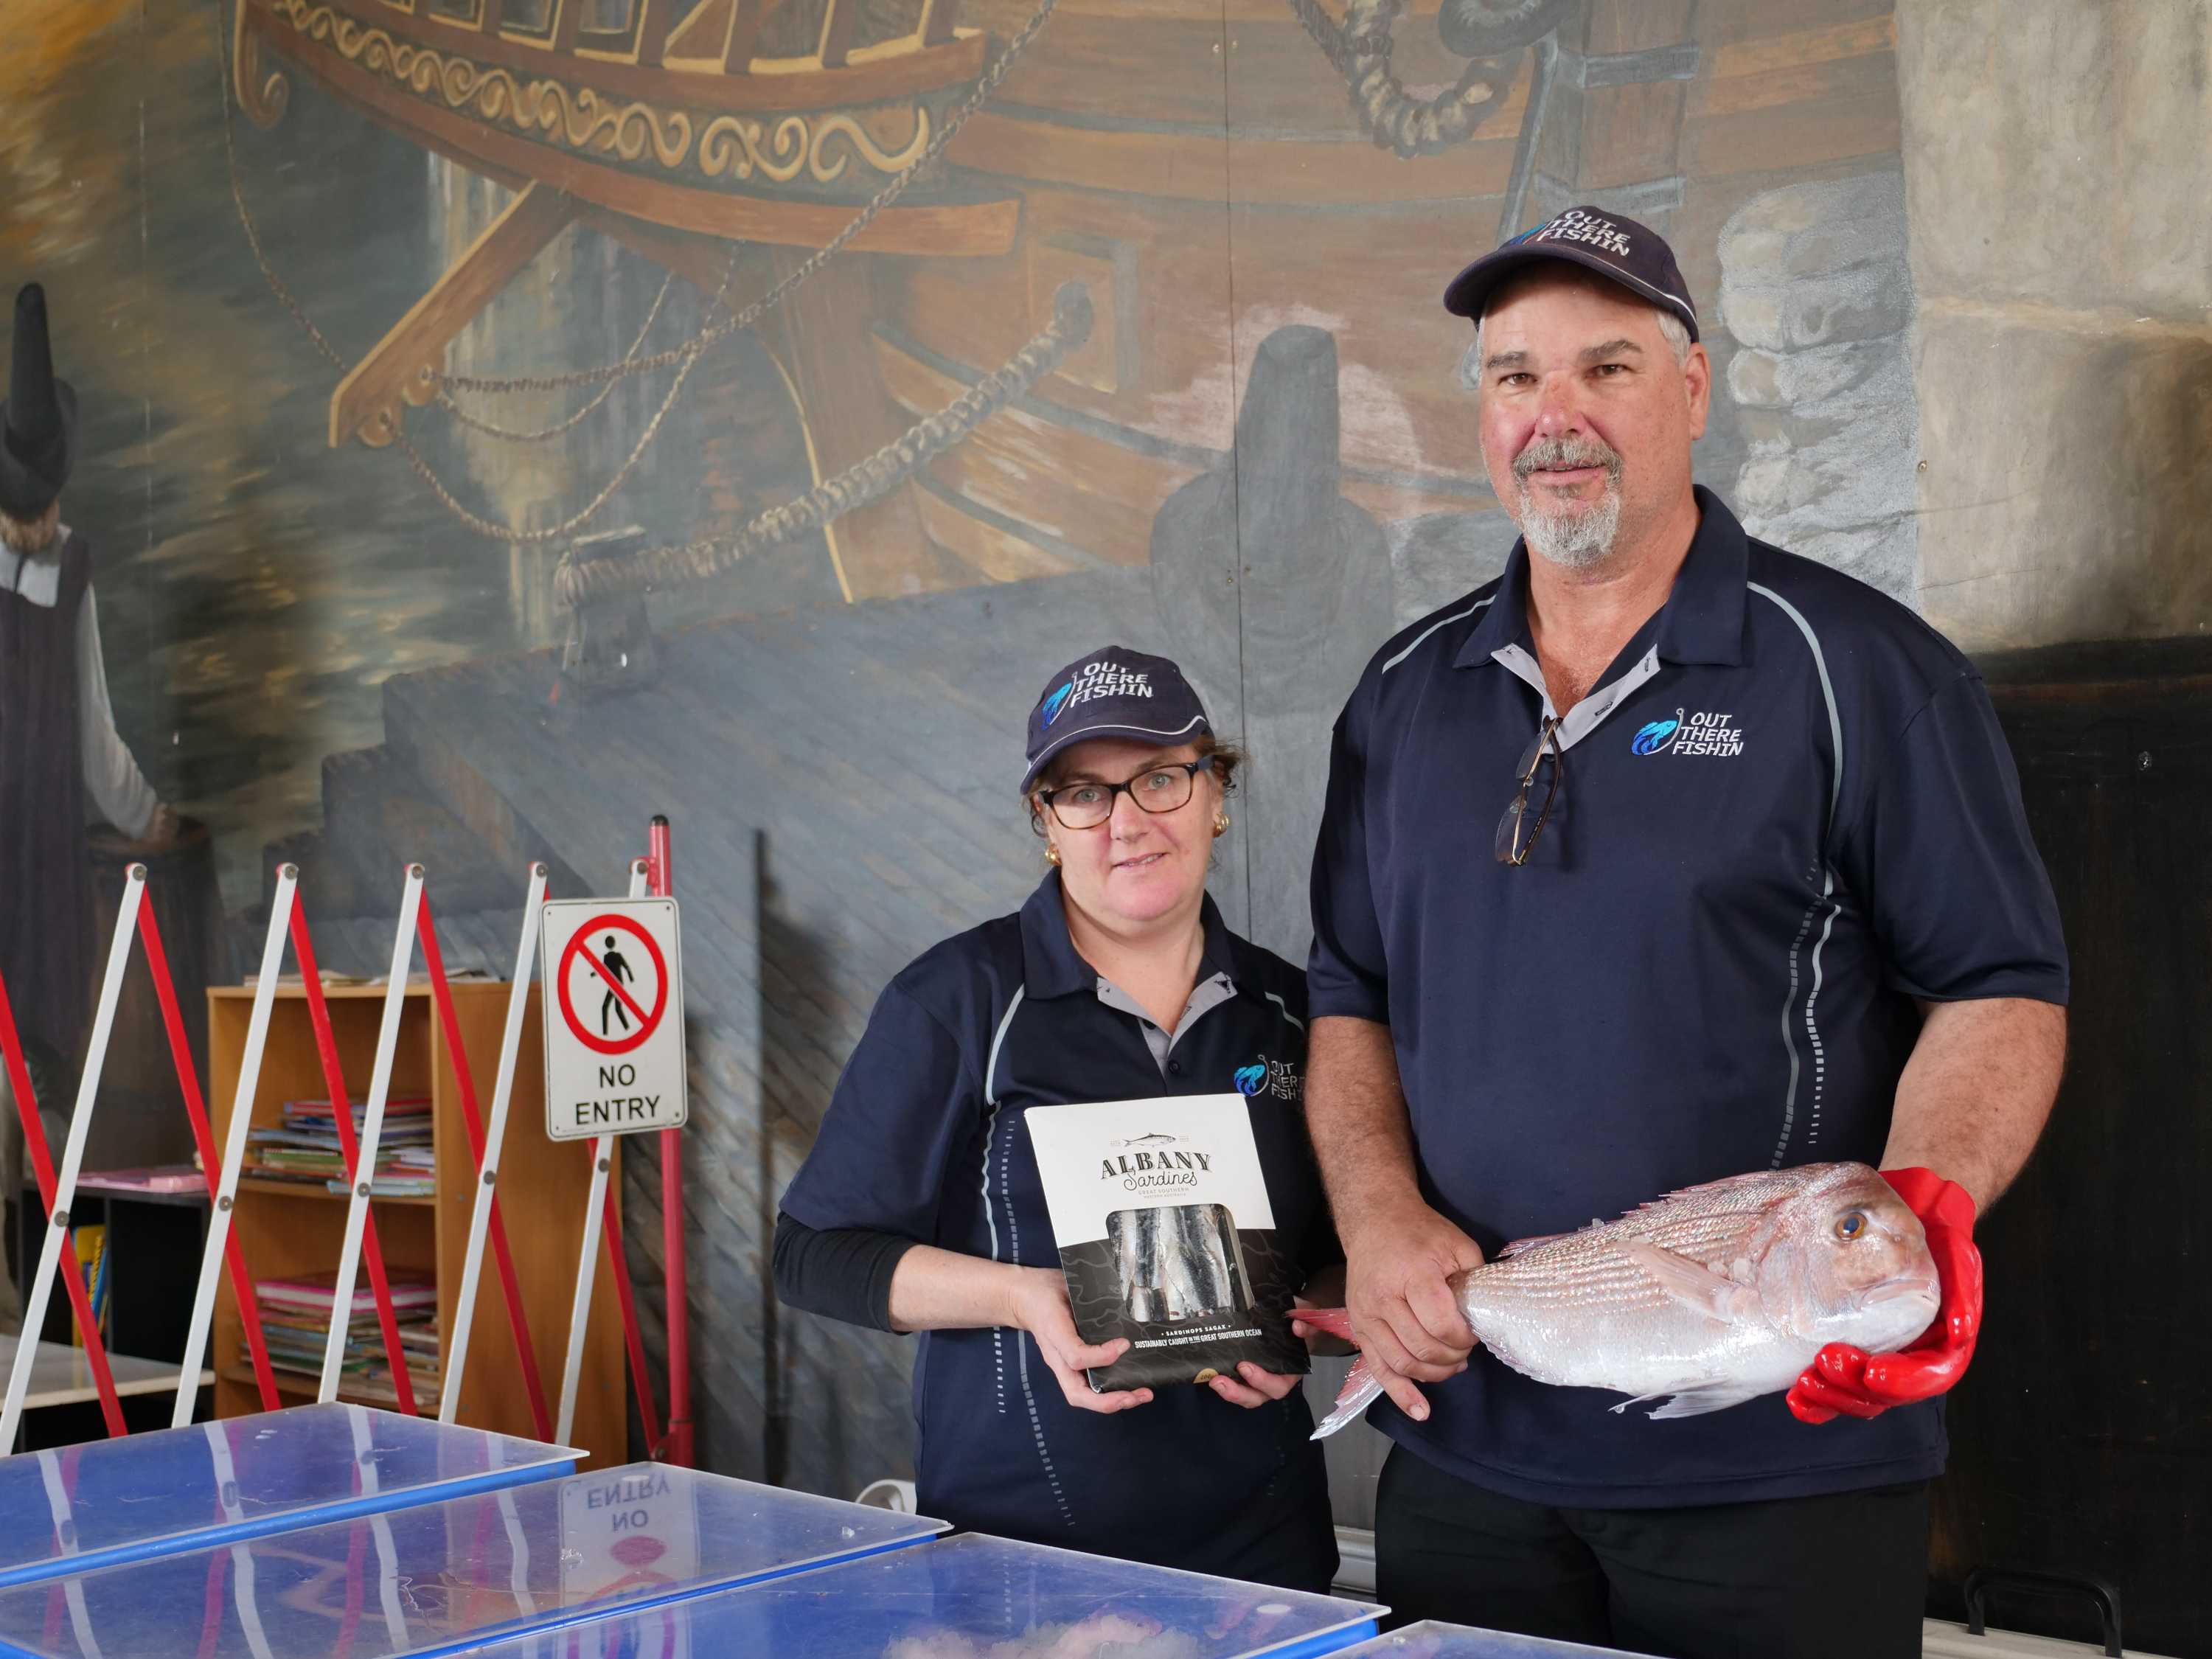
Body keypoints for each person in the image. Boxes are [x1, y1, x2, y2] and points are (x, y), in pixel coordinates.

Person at [1304, 208, 2068, 1657]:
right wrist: (1375, 1214)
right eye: (1517, 377)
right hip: (1465, 1445)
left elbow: (2000, 984)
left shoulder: (1859, 673)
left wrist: (1922, 1221)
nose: (1558, 417)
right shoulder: (1404, 695)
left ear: (1695, 391)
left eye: (1608, 367)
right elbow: (1351, 986)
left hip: (1778, 1464)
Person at [775, 647, 1341, 1592]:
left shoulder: (1292, 1010)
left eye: (1161, 778)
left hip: (1264, 1549)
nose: (1127, 823)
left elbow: (1330, 1258)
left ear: (1216, 794)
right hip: (1024, 1553)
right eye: (1084, 794)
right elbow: (812, 1254)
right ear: (1047, 821)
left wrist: (1312, 1324)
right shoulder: (959, 999)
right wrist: (1023, 1296)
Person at [0, 282, 177, 1068]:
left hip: (34, 841)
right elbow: (92, 729)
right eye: (21, 510)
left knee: (28, 1044)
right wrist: (142, 817)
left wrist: (136, 812)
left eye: (36, 511)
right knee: (34, 1033)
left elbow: (91, 722)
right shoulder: (65, 563)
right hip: (33, 841)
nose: (30, 525)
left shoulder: (71, 569)